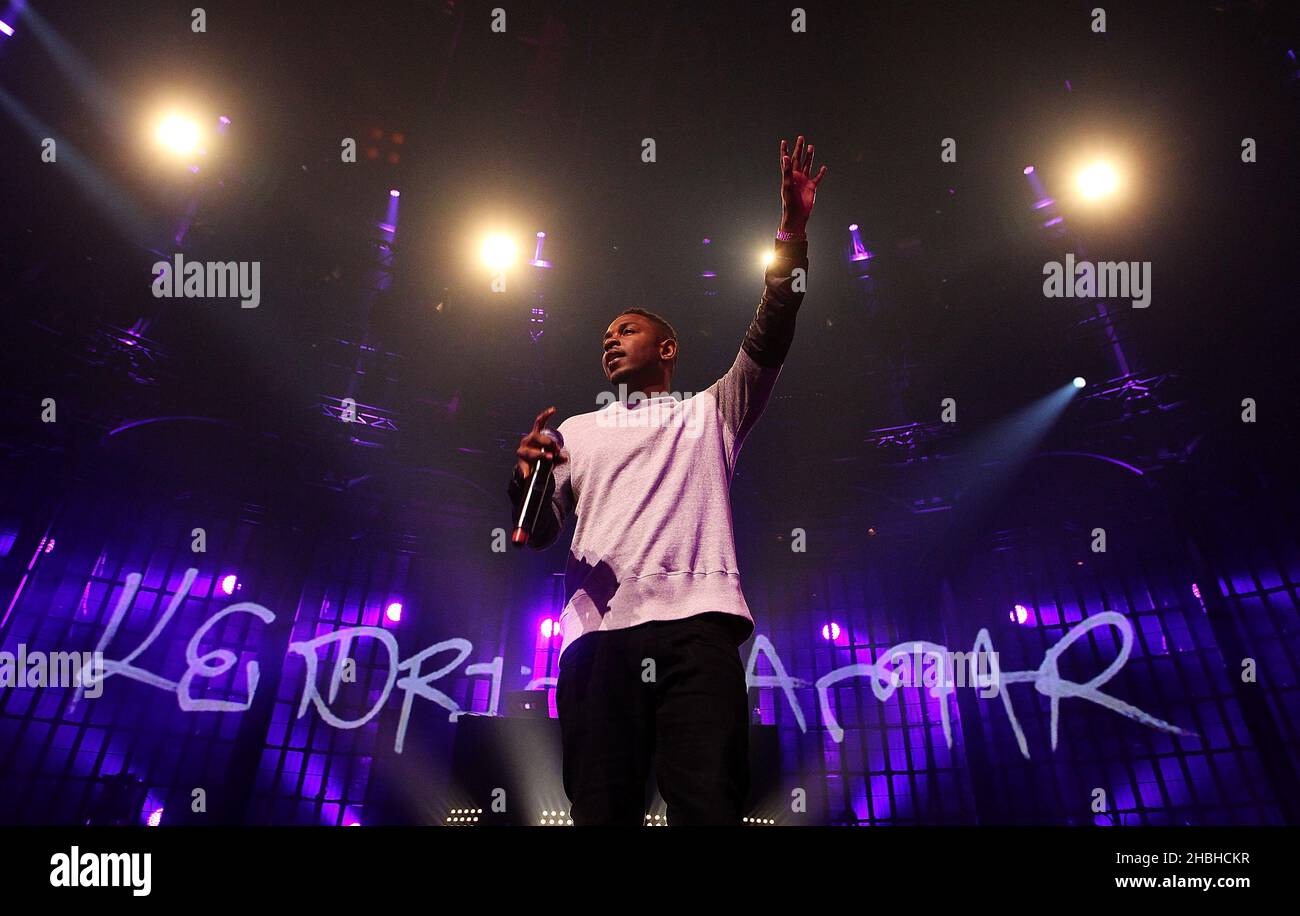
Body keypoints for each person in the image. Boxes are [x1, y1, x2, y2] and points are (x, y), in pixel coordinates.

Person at [509, 135, 827, 825]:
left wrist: (792, 232)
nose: (609, 341)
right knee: (601, 808)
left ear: (667, 348)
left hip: (696, 630)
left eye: (625, 330)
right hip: (598, 636)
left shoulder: (712, 411)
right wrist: (524, 477)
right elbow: (534, 537)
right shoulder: (576, 432)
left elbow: (773, 329)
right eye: (603, 337)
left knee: (707, 801)